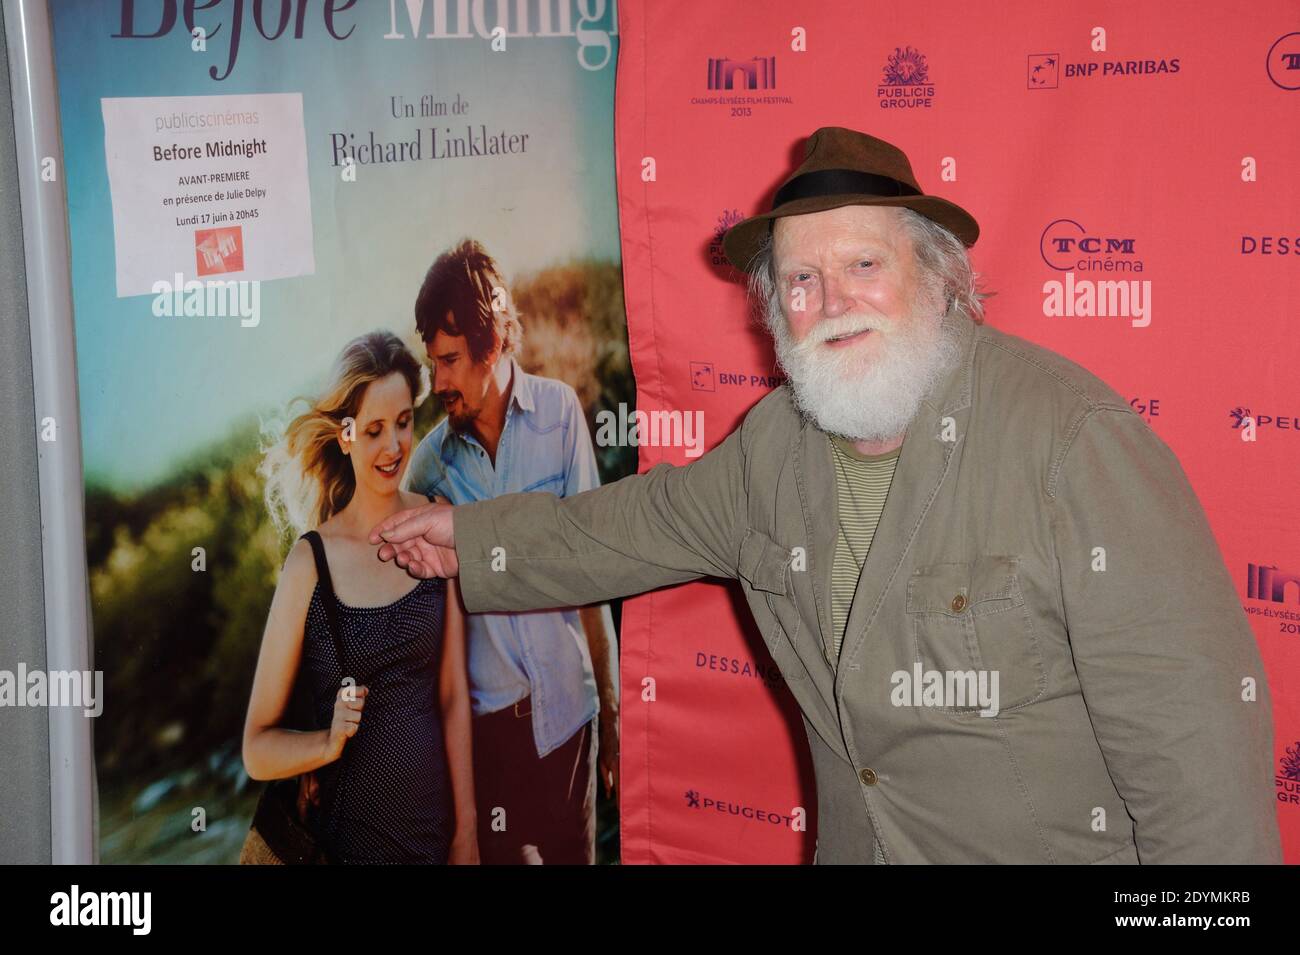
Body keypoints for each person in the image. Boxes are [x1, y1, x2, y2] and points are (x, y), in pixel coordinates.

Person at [365, 128, 1282, 864]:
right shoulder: (777, 447)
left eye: (864, 266)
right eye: (802, 280)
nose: (832, 300)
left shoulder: (1074, 445)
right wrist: (472, 539)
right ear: (775, 310)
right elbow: (630, 524)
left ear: (939, 277)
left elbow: (1199, 772)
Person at [403, 239, 618, 864]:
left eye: (449, 360)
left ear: (492, 343)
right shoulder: (428, 469)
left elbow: (592, 572)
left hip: (571, 721)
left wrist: (612, 713)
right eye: (432, 363)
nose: (436, 381)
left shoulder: (558, 416)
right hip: (490, 739)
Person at [242, 331, 478, 864]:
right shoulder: (311, 563)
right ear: (344, 436)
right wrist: (325, 743)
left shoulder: (435, 520)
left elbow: (453, 696)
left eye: (402, 422)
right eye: (373, 430)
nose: (394, 447)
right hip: (349, 848)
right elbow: (256, 748)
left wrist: (467, 836)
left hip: (437, 840)